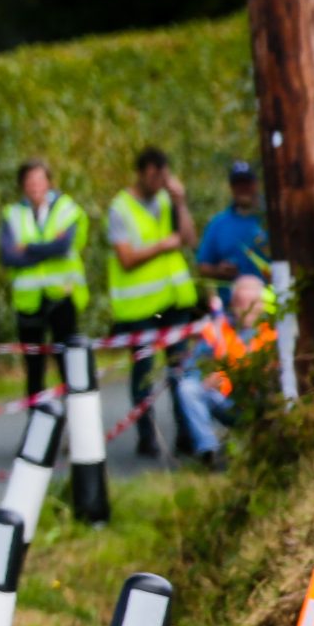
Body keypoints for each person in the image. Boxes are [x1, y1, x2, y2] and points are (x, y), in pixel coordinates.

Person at [104, 146, 199, 458]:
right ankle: (147, 437)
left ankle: (187, 433)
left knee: (180, 369)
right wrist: (161, 246)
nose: (160, 181)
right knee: (143, 373)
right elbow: (126, 257)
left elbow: (188, 238)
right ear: (142, 173)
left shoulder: (166, 201)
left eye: (165, 175)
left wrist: (181, 202)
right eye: (155, 175)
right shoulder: (121, 208)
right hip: (141, 308)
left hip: (173, 302)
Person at [0, 158, 87, 397]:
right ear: (22, 185)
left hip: (61, 296)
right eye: (29, 181)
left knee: (68, 362)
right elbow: (7, 256)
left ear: (49, 182)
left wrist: (26, 248)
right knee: (34, 367)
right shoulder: (13, 214)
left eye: (39, 180)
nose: (35, 186)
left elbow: (63, 246)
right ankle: (39, 425)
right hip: (29, 301)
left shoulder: (66, 208)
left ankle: (76, 419)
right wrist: (46, 248)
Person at [172, 274, 276, 472]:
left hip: (262, 403)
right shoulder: (218, 330)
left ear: (262, 304)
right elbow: (191, 369)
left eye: (251, 303)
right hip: (227, 403)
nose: (245, 309)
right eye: (239, 302)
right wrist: (205, 379)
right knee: (188, 388)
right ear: (232, 303)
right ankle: (209, 452)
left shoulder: (273, 331)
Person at [193, 159, 269, 314]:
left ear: (255, 184)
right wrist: (218, 270)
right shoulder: (219, 224)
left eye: (247, 183)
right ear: (232, 188)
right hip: (233, 310)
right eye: (238, 184)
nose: (243, 189)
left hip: (270, 306)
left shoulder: (271, 218)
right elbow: (202, 266)